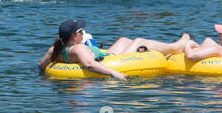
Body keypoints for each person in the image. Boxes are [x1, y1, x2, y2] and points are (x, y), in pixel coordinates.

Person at [37, 19, 190, 79]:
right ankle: (178, 46)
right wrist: (115, 74)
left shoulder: (55, 48)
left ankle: (177, 45)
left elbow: (40, 65)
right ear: (73, 36)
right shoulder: (78, 49)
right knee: (138, 41)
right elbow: (90, 65)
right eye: (80, 32)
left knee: (123, 40)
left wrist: (48, 76)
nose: (82, 33)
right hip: (110, 62)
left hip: (107, 55)